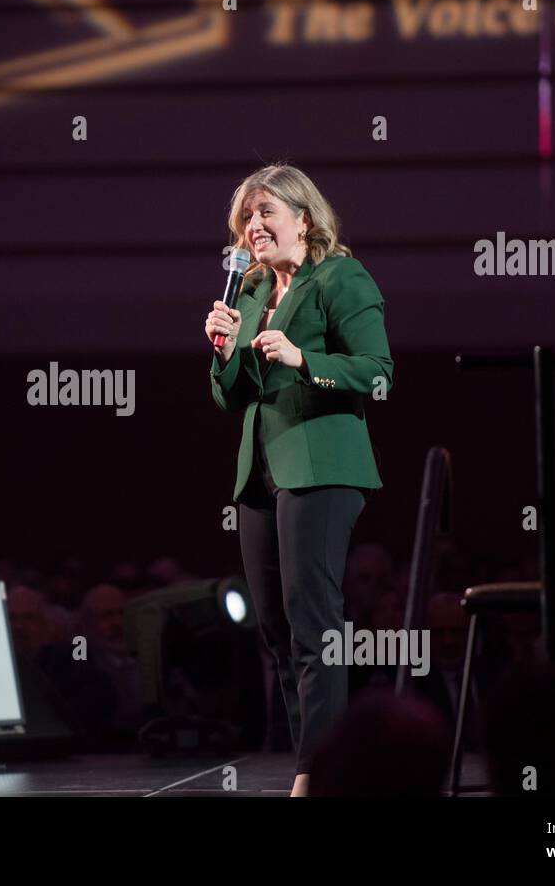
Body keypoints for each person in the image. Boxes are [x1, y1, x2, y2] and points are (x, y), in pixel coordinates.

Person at [204, 164, 393, 796]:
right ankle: (314, 762)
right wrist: (226, 354)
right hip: (261, 471)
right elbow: (233, 400)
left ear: (303, 218)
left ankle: (319, 773)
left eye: (266, 213)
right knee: (277, 630)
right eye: (247, 218)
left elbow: (377, 370)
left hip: (321, 466)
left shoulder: (340, 276)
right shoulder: (252, 294)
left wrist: (302, 358)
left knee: (313, 619)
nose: (254, 227)